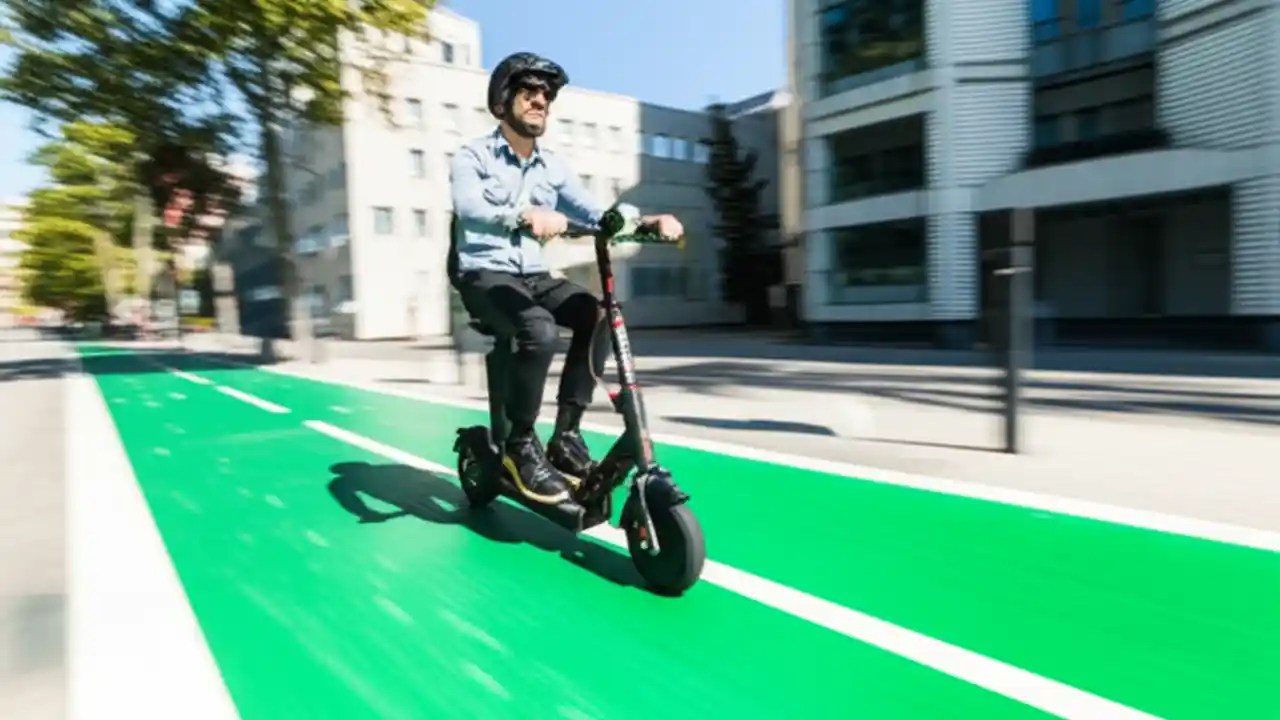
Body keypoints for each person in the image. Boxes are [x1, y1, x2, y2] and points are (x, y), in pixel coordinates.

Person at [448, 52, 684, 506]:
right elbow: (469, 205)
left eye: (546, 95)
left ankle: (566, 436)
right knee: (537, 329)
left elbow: (596, 215)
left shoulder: (552, 167)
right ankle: (520, 447)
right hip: (482, 272)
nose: (540, 100)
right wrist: (521, 214)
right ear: (502, 100)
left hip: (532, 275)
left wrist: (643, 222)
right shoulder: (473, 155)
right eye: (528, 92)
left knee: (598, 314)